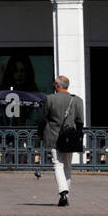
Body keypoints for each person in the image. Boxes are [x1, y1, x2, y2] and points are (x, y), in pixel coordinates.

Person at [36, 75, 85, 207]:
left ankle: (63, 192)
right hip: (70, 137)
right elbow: (80, 121)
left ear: (58, 86)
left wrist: (40, 134)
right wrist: (76, 135)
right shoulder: (78, 100)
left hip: (54, 136)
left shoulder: (50, 99)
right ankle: (65, 196)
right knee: (68, 166)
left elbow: (42, 119)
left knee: (58, 164)